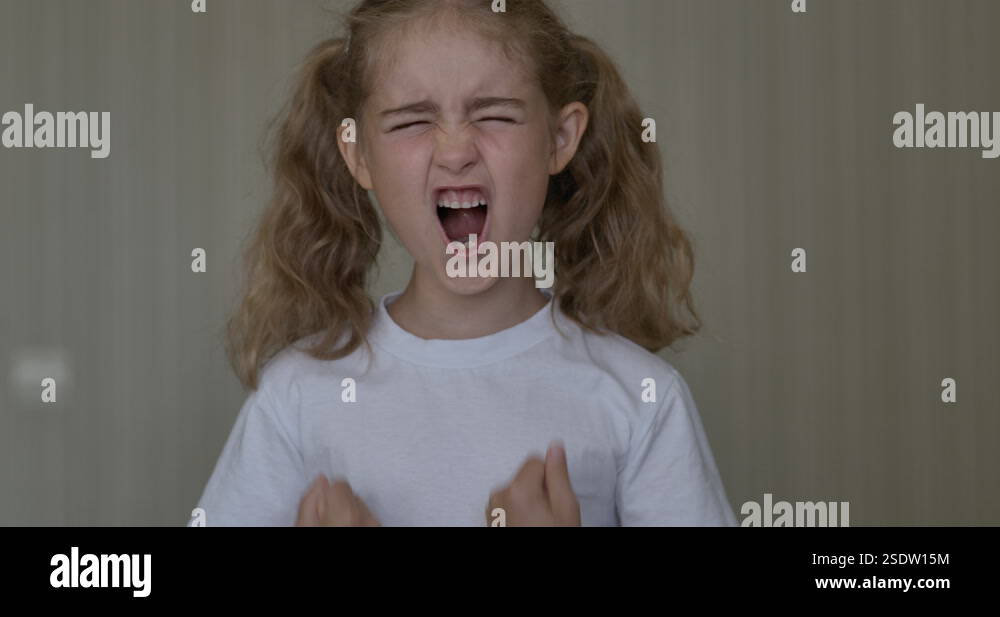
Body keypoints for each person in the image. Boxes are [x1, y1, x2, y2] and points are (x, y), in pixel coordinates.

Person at [191, 0, 737, 526]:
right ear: (358, 154)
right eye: (410, 123)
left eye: (495, 115)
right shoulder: (295, 397)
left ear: (561, 138)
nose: (455, 151)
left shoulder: (640, 398)